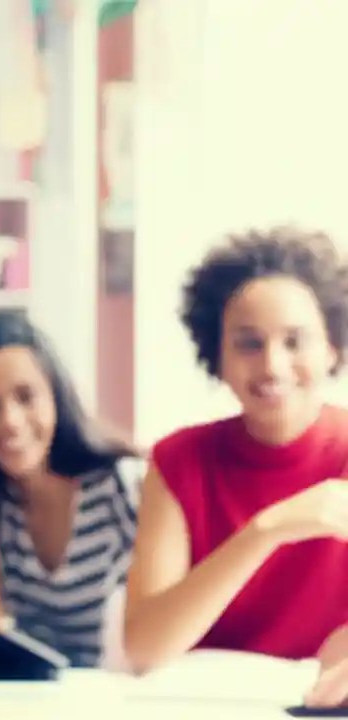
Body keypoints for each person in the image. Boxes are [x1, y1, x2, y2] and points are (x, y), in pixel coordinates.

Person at [123, 229, 348, 696]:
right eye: (249, 343)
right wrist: (266, 531)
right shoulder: (178, 461)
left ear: (331, 349)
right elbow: (144, 649)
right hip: (210, 703)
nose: (272, 366)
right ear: (217, 357)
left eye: (295, 341)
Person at [0, 311, 144, 668]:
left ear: (56, 396)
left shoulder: (124, 485)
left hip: (124, 686)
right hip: (37, 690)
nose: (10, 421)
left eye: (26, 397)